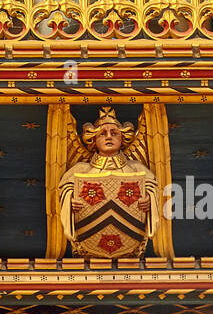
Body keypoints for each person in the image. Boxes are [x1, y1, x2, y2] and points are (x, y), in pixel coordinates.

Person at [57, 107, 159, 256]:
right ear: (93, 140)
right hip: (86, 242)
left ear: (123, 138)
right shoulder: (80, 170)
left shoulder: (137, 169)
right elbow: (65, 191)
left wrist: (149, 200)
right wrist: (69, 202)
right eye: (102, 134)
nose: (109, 137)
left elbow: (152, 188)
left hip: (132, 246)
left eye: (114, 133)